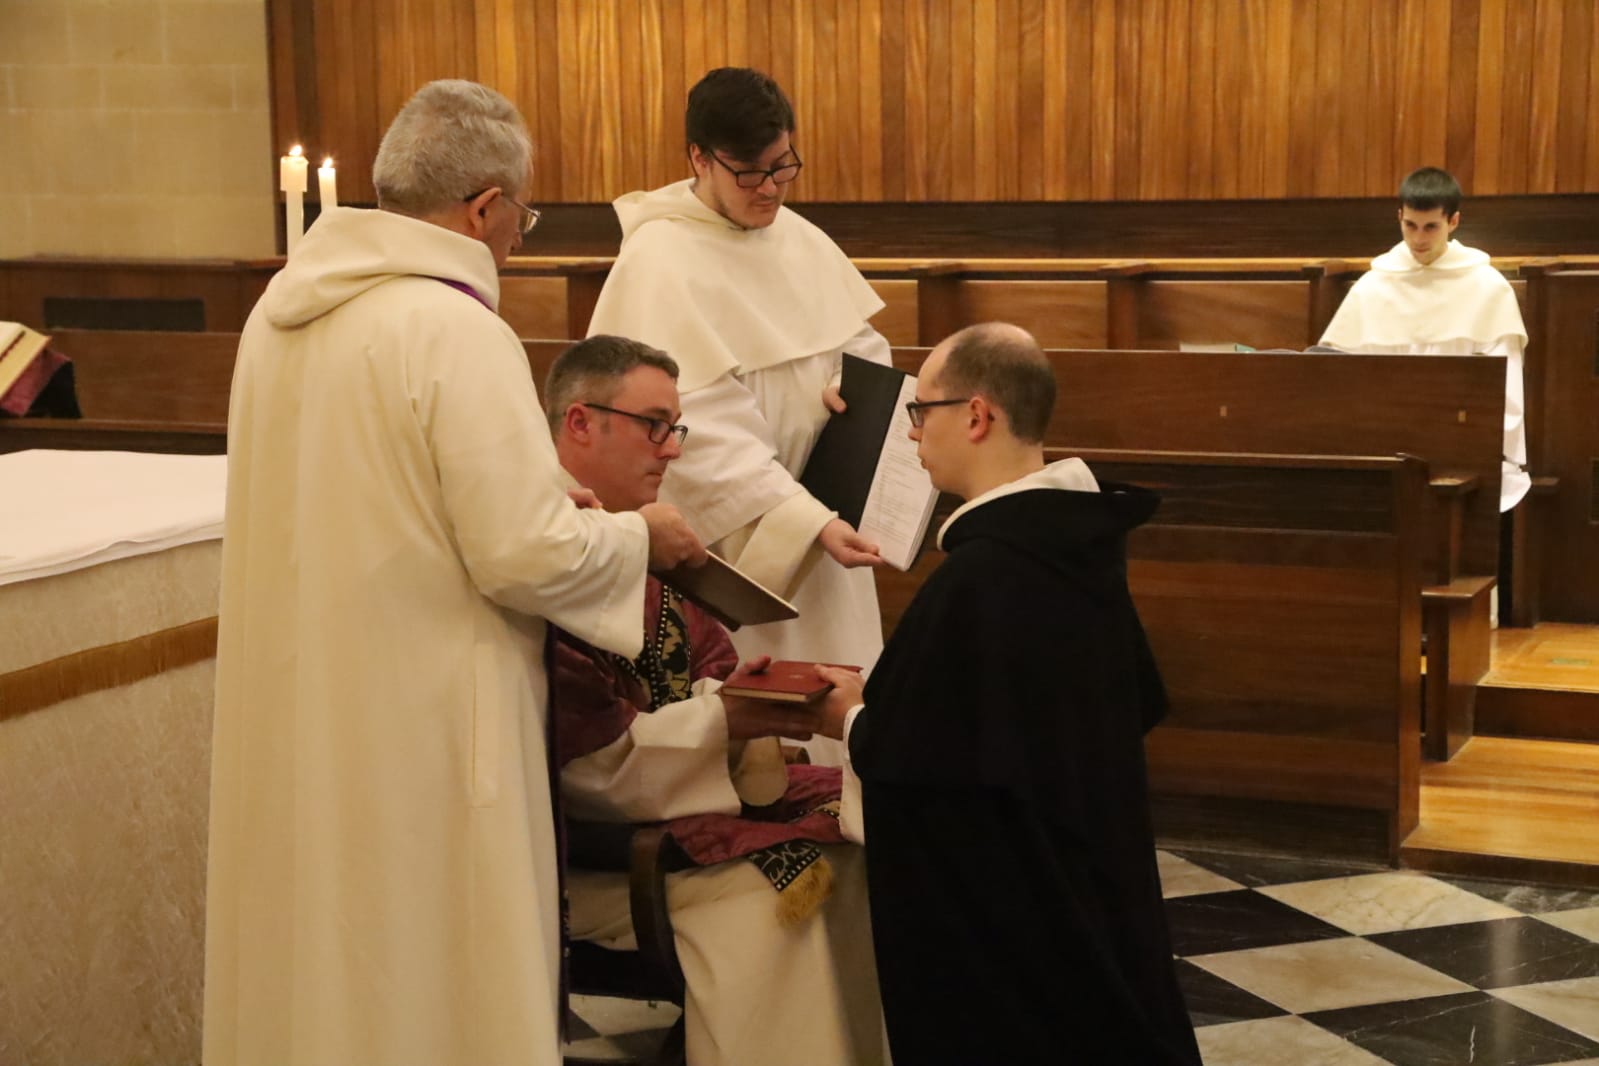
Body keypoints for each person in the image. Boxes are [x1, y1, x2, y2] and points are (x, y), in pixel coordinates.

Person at [204, 81, 704, 1066]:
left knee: (324, 958)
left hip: (310, 707)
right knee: (433, 972)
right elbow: (523, 553)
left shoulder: (277, 318)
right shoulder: (455, 326)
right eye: (521, 216)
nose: (519, 238)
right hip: (425, 723)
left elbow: (377, 500)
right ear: (483, 208)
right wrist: (641, 536)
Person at [816, 323, 1203, 1065]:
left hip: (1012, 911)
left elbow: (923, 759)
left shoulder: (985, 574)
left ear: (976, 415)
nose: (912, 433)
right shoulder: (1073, 543)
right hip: (1083, 868)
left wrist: (849, 715)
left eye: (919, 412)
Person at [543, 334, 886, 1066]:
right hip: (591, 851)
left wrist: (750, 703)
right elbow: (581, 767)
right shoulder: (540, 554)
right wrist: (724, 716)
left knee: (867, 833)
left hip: (674, 797)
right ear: (579, 422)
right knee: (768, 897)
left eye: (677, 427)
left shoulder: (637, 541)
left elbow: (705, 667)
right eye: (653, 425)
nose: (671, 450)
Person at [585, 68, 891, 763]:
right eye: (750, 174)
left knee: (846, 716)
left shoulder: (802, 239)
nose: (771, 189)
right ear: (699, 157)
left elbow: (863, 347)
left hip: (832, 527)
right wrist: (806, 519)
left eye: (784, 167)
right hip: (753, 551)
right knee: (772, 743)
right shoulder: (660, 260)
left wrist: (854, 384)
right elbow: (693, 432)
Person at [1320, 166, 1530, 515]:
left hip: (1462, 451)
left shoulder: (1487, 288)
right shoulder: (1374, 287)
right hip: (1386, 449)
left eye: (1431, 227)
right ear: (1399, 217)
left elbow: (1507, 389)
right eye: (1410, 226)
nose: (1419, 239)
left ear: (1454, 222)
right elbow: (1344, 379)